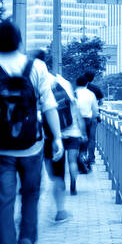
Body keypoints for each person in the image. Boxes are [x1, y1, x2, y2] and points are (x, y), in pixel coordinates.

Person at [0, 22, 62, 244]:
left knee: (2, 203)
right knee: (30, 196)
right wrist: (57, 137)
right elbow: (49, 105)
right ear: (20, 41)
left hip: (1, 148)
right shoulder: (36, 66)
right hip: (32, 146)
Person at [36, 55, 81, 221]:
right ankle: (60, 211)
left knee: (30, 173)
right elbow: (73, 107)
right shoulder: (60, 81)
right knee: (56, 174)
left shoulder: (26, 76)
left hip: (32, 134)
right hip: (59, 133)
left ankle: (27, 209)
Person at [75, 74, 98, 173]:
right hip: (87, 120)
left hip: (75, 120)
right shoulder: (91, 94)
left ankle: (77, 161)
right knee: (85, 143)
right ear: (87, 83)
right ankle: (83, 160)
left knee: (75, 143)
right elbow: (95, 111)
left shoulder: (73, 93)